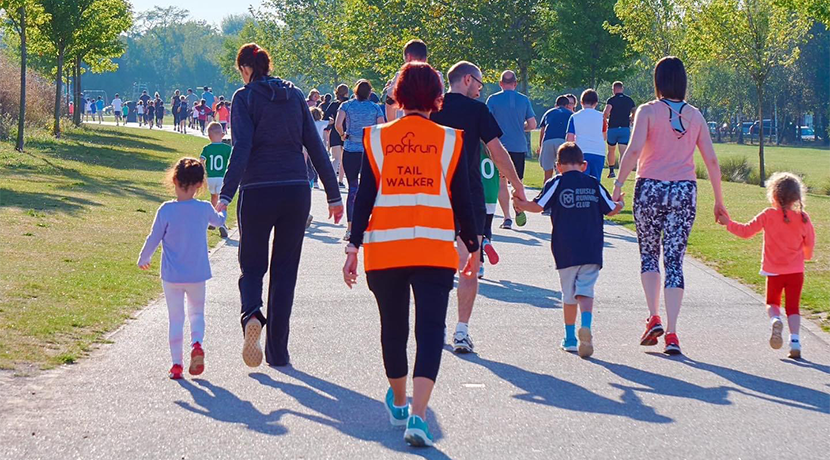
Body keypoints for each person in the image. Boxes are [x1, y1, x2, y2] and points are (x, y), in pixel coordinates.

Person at [343, 62, 480, 448]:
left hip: (386, 248)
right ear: (437, 96)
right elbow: (462, 199)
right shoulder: (451, 139)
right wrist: (473, 246)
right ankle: (418, 416)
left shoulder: (376, 138)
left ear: (398, 95)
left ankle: (399, 400)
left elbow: (364, 197)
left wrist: (353, 246)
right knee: (431, 331)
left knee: (394, 327)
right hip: (435, 248)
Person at [216, 43, 343, 368]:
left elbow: (242, 147)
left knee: (253, 265)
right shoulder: (294, 94)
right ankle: (278, 352)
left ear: (245, 69)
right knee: (285, 273)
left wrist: (226, 195)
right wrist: (333, 194)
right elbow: (314, 144)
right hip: (295, 190)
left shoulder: (244, 98)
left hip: (258, 190)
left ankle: (251, 315)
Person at [612, 56, 727, 355]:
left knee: (649, 254)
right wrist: (719, 200)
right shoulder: (696, 115)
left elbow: (635, 149)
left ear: (658, 81)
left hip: (650, 187)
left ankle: (653, 316)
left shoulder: (648, 111)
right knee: (675, 261)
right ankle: (673, 333)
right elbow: (712, 160)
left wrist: (619, 183)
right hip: (684, 191)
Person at [430, 61, 526, 353]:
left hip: (434, 192)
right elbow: (497, 152)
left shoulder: (431, 107)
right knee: (470, 264)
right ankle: (461, 330)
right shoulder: (478, 111)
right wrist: (517, 185)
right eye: (480, 83)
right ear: (468, 80)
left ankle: (435, 328)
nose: (481, 89)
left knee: (435, 266)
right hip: (469, 194)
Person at [514, 143, 623, 358]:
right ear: (583, 165)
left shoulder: (556, 182)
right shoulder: (593, 183)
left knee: (568, 293)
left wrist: (521, 204)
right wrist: (620, 203)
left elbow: (539, 206)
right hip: (591, 246)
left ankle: (570, 337)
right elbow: (611, 210)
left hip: (565, 246)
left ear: (557, 166)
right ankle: (587, 325)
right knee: (586, 290)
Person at [137, 157, 227, 380]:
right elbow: (218, 222)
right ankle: (196, 343)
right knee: (196, 313)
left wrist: (144, 257)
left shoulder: (166, 210)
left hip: (172, 276)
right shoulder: (204, 208)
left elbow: (154, 238)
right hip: (197, 274)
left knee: (175, 319)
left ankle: (176, 365)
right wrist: (222, 210)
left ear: (174, 180)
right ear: (200, 185)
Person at [717, 172, 815, 359]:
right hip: (796, 271)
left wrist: (727, 223)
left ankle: (776, 320)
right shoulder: (803, 218)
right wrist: (806, 257)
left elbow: (746, 231)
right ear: (797, 196)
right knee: (793, 307)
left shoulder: (768, 215)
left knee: (772, 303)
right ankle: (795, 341)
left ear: (773, 195)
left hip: (773, 270)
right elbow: (809, 245)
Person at [335, 79, 385, 241]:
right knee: (369, 189)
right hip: (368, 151)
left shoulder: (347, 106)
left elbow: (337, 124)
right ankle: (367, 226)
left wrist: (343, 134)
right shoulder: (375, 107)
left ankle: (350, 228)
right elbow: (381, 126)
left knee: (353, 188)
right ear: (370, 92)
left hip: (351, 149)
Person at [486, 70, 536, 229]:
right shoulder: (524, 100)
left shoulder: (493, 100)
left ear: (500, 83)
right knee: (517, 182)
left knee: (502, 183)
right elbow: (533, 125)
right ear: (515, 84)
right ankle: (518, 209)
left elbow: (486, 121)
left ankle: (507, 218)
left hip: (499, 147)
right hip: (519, 146)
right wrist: (522, 128)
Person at [384, 39, 444, 122]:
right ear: (425, 58)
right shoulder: (437, 76)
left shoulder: (401, 76)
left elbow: (390, 101)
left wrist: (391, 124)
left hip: (403, 127)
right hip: (431, 128)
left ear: (408, 57)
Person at [199, 122, 232, 237]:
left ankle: (213, 220)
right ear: (222, 135)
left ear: (209, 136)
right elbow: (233, 160)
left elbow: (201, 160)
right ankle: (221, 222)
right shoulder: (226, 148)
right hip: (222, 177)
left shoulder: (207, 148)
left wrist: (203, 172)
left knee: (213, 197)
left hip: (211, 177)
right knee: (223, 200)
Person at [566, 89, 606, 180]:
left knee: (581, 181)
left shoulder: (574, 117)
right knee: (595, 182)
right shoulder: (602, 117)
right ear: (596, 103)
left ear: (581, 102)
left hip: (581, 152)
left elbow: (570, 138)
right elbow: (604, 136)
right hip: (598, 152)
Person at [603, 81, 636, 179]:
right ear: (622, 88)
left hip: (613, 128)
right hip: (624, 128)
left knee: (611, 150)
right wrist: (632, 118)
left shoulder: (611, 100)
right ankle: (622, 173)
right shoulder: (629, 100)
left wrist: (606, 119)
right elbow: (635, 110)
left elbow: (606, 113)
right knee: (623, 151)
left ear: (613, 89)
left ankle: (612, 171)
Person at [538, 96, 573, 182]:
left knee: (548, 172)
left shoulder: (548, 113)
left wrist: (541, 146)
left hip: (548, 141)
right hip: (563, 141)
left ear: (556, 104)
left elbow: (543, 130)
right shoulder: (570, 114)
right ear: (567, 105)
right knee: (561, 171)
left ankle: (546, 191)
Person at [324, 84, 349, 187]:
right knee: (343, 158)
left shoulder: (334, 104)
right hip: (347, 131)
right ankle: (341, 181)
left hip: (335, 131)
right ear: (347, 92)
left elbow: (325, 116)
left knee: (335, 158)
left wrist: (331, 120)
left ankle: (332, 179)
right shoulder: (349, 103)